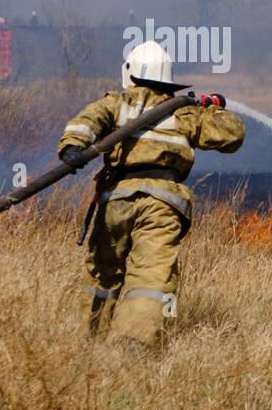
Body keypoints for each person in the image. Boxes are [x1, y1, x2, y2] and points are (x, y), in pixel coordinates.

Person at [57, 40, 245, 347]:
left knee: (103, 273)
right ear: (168, 77)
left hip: (117, 199)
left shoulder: (117, 102)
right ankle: (135, 343)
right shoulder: (185, 113)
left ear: (129, 73)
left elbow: (87, 120)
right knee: (151, 274)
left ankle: (90, 341)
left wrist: (72, 147)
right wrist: (215, 109)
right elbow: (233, 135)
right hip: (162, 202)